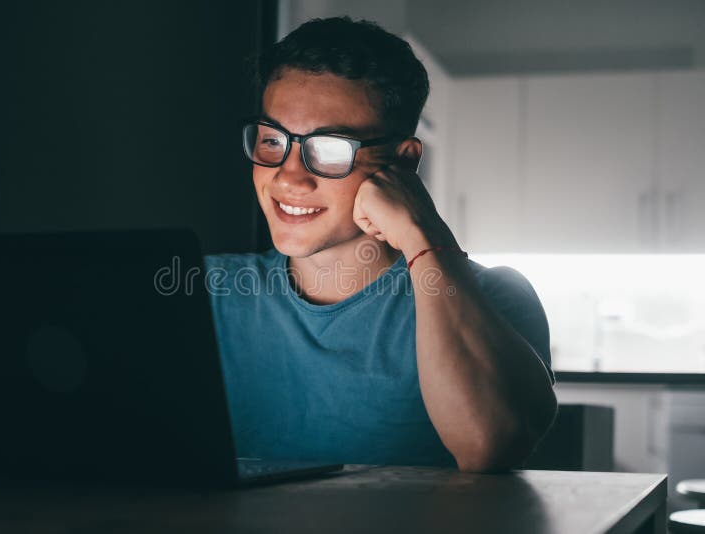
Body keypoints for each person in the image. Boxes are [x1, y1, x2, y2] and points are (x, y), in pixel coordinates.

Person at [204, 16, 557, 472]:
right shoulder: (207, 295)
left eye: (330, 148)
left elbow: (488, 445)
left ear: (403, 162)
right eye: (273, 140)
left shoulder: (493, 299)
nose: (289, 176)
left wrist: (422, 233)